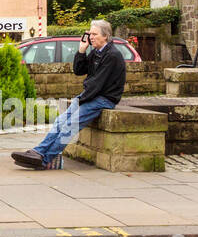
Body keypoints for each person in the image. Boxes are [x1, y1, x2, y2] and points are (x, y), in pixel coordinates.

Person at [12, 19, 126, 170]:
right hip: (91, 95)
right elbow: (79, 70)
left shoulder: (112, 55)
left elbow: (98, 83)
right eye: (90, 33)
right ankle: (37, 152)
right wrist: (81, 51)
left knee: (70, 126)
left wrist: (81, 100)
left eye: (94, 34)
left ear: (105, 36)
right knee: (60, 121)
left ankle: (44, 160)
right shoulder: (96, 53)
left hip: (104, 99)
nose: (91, 37)